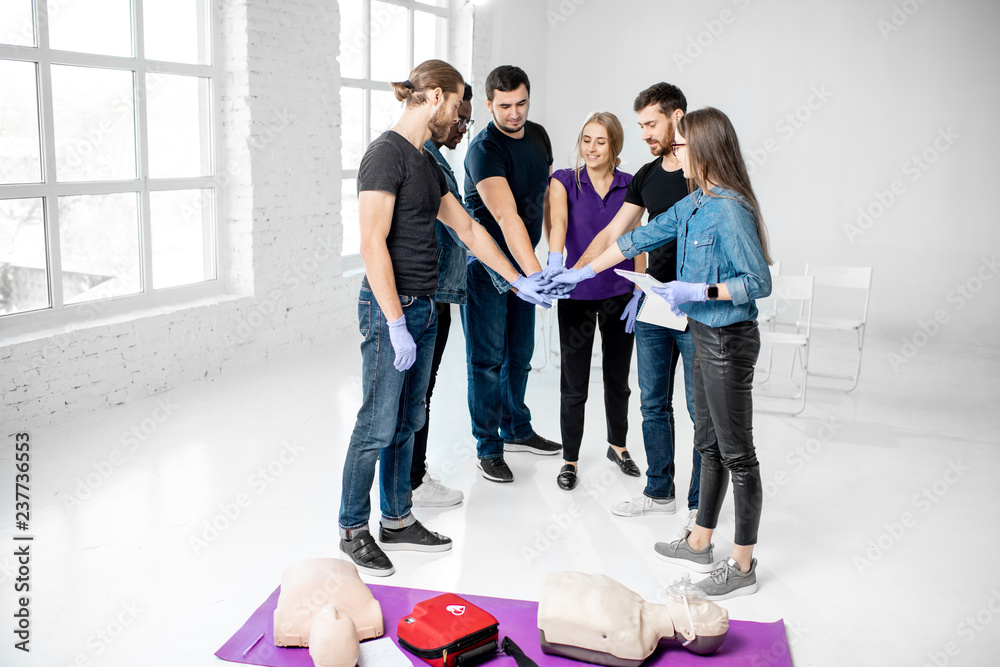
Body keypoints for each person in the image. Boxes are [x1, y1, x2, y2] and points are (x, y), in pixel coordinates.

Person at [338, 60, 552, 577]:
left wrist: (519, 279)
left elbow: (472, 232)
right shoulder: (384, 156)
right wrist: (392, 320)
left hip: (427, 307)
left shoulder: (426, 162)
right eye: (458, 105)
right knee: (376, 423)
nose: (460, 116)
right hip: (393, 309)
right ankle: (352, 529)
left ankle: (398, 518)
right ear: (434, 97)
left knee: (409, 420)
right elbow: (370, 244)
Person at [554, 107, 773, 600]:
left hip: (727, 341)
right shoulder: (695, 202)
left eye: (681, 147)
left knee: (738, 453)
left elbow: (758, 282)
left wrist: (696, 290)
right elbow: (636, 237)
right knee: (709, 445)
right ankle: (699, 541)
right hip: (703, 333)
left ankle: (742, 565)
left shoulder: (732, 209)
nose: (674, 153)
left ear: (705, 150)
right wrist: (581, 273)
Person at [574, 83, 700, 526]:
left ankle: (699, 507)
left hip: (697, 305)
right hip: (655, 304)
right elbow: (616, 234)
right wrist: (577, 268)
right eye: (641, 125)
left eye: (651, 124)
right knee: (653, 404)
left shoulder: (704, 170)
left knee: (699, 412)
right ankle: (659, 489)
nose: (645, 133)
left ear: (677, 116)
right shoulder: (647, 176)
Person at [462, 65, 562, 483]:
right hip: (487, 266)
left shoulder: (538, 136)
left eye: (521, 103)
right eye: (504, 106)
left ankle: (516, 427)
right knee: (487, 360)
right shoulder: (483, 150)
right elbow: (505, 217)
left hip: (526, 261)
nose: (514, 113)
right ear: (489, 104)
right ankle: (489, 447)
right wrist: (535, 274)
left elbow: (543, 201)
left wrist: (551, 257)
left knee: (520, 354)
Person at [544, 112, 642, 491]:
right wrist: (556, 261)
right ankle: (570, 459)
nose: (591, 148)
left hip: (619, 294)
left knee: (618, 381)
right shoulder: (564, 180)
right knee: (574, 383)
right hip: (577, 296)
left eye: (600, 141)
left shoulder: (630, 185)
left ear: (615, 145)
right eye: (586, 139)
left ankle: (617, 446)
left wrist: (637, 289)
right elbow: (559, 225)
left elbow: (636, 238)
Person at [409, 83, 475, 508]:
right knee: (415, 395)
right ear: (437, 102)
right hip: (424, 294)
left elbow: (463, 228)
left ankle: (412, 479)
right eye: (458, 114)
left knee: (422, 392)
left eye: (466, 120)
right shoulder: (421, 159)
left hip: (439, 293)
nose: (461, 126)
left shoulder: (433, 160)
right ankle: (411, 484)